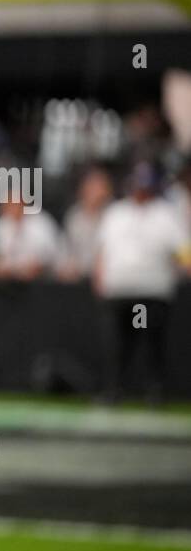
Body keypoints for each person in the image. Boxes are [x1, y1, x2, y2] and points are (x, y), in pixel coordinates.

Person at [94, 162, 191, 404]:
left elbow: (183, 252)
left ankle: (153, 391)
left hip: (150, 292)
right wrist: (100, 278)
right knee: (115, 345)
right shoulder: (116, 212)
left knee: (150, 343)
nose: (141, 190)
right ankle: (113, 390)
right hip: (118, 291)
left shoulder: (165, 214)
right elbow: (103, 250)